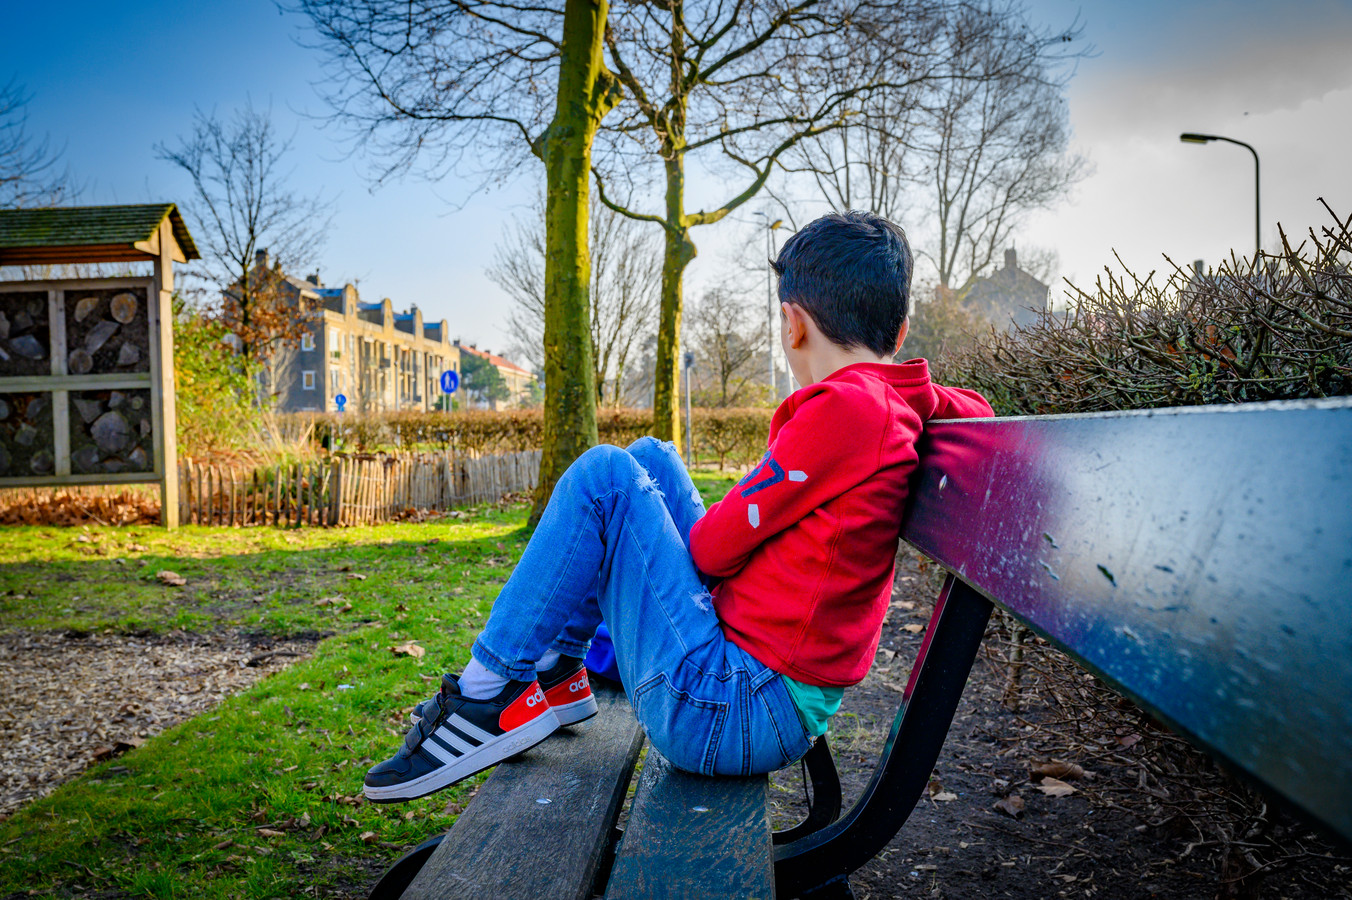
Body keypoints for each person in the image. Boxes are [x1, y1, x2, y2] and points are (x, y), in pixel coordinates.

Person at [363, 211, 994, 802]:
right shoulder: (887, 405)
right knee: (650, 456)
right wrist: (924, 391)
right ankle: (557, 670)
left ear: (792, 323)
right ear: (900, 331)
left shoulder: (848, 409)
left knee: (604, 476)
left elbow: (713, 550)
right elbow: (975, 410)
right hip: (755, 693)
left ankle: (484, 693)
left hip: (732, 709)